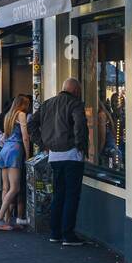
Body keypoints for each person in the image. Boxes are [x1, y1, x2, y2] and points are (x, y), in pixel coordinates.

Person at [29, 78, 88, 246]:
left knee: (58, 194)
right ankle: (68, 234)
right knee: (71, 195)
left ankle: (55, 233)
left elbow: (31, 123)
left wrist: (42, 143)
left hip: (54, 155)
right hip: (72, 155)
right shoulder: (75, 104)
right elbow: (80, 126)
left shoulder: (47, 104)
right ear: (76, 91)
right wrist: (81, 146)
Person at [0, 96, 32, 231]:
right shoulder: (21, 114)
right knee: (15, 188)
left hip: (4, 151)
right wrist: (28, 155)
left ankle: (7, 220)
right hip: (15, 150)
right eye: (27, 104)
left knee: (6, 187)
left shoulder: (8, 115)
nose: (28, 107)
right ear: (23, 105)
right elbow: (25, 137)